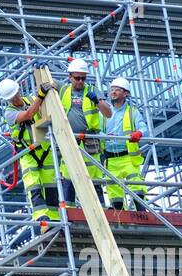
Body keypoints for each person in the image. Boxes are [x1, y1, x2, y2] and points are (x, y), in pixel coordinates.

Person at [0, 77, 62, 227]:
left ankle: (54, 218)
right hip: (27, 153)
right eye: (11, 98)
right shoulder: (9, 113)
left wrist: (51, 87)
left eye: (16, 95)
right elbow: (28, 115)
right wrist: (40, 95)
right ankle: (42, 219)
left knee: (51, 185)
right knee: (33, 186)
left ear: (19, 91)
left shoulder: (31, 100)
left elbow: (48, 103)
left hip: (44, 149)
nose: (15, 99)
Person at [57, 58, 110, 205]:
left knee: (94, 178)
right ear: (70, 77)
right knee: (68, 176)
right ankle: (70, 211)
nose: (80, 81)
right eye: (77, 78)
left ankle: (100, 209)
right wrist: (40, 69)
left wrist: (97, 101)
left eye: (83, 78)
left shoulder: (92, 90)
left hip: (89, 139)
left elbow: (108, 113)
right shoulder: (63, 90)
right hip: (70, 138)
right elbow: (48, 83)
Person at [101, 76, 148, 210]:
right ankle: (119, 216)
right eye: (112, 89)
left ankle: (142, 215)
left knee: (137, 187)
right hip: (110, 158)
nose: (113, 92)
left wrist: (139, 133)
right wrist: (105, 136)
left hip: (128, 157)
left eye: (117, 90)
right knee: (114, 192)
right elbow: (97, 130)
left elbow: (143, 128)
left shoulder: (132, 112)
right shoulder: (104, 112)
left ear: (125, 93)